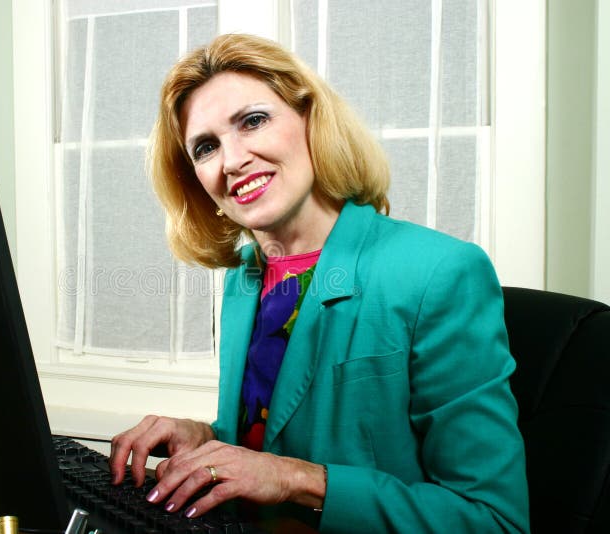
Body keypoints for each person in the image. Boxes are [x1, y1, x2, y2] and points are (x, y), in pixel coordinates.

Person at [108, 33, 530, 533]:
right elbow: (275, 433)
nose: (233, 160)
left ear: (310, 118)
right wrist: (202, 437)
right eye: (205, 147)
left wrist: (295, 478)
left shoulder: (441, 272)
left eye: (254, 121)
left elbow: (493, 520)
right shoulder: (245, 277)